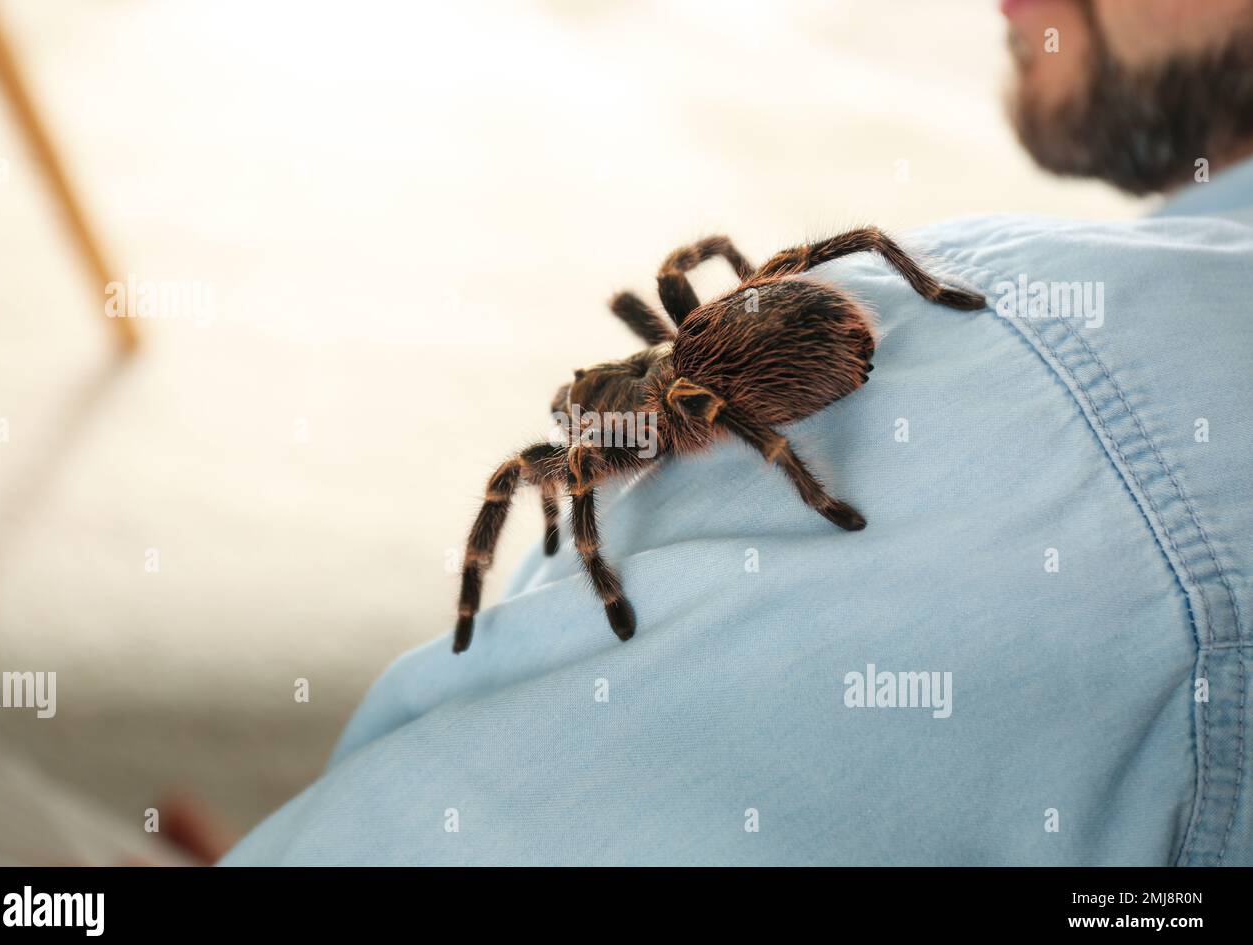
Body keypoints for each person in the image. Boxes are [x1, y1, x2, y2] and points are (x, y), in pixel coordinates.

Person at [223, 0, 1253, 865]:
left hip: (756, 368)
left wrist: (610, 553)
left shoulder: (1025, 399)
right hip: (766, 333)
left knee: (637, 418)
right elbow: (700, 265)